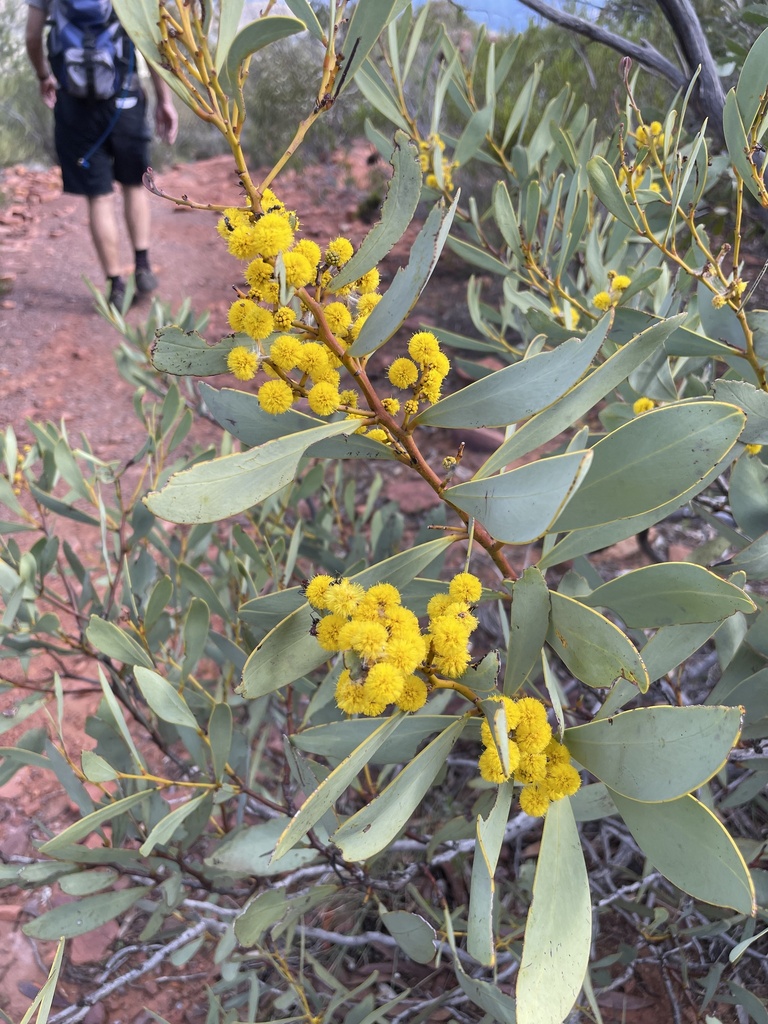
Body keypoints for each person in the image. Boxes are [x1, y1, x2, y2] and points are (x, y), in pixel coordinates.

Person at [25, 0, 179, 310]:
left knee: (99, 196)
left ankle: (115, 285)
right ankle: (143, 266)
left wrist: (44, 77)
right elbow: (149, 41)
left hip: (73, 104)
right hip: (125, 98)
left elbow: (31, 36)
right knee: (135, 186)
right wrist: (165, 100)